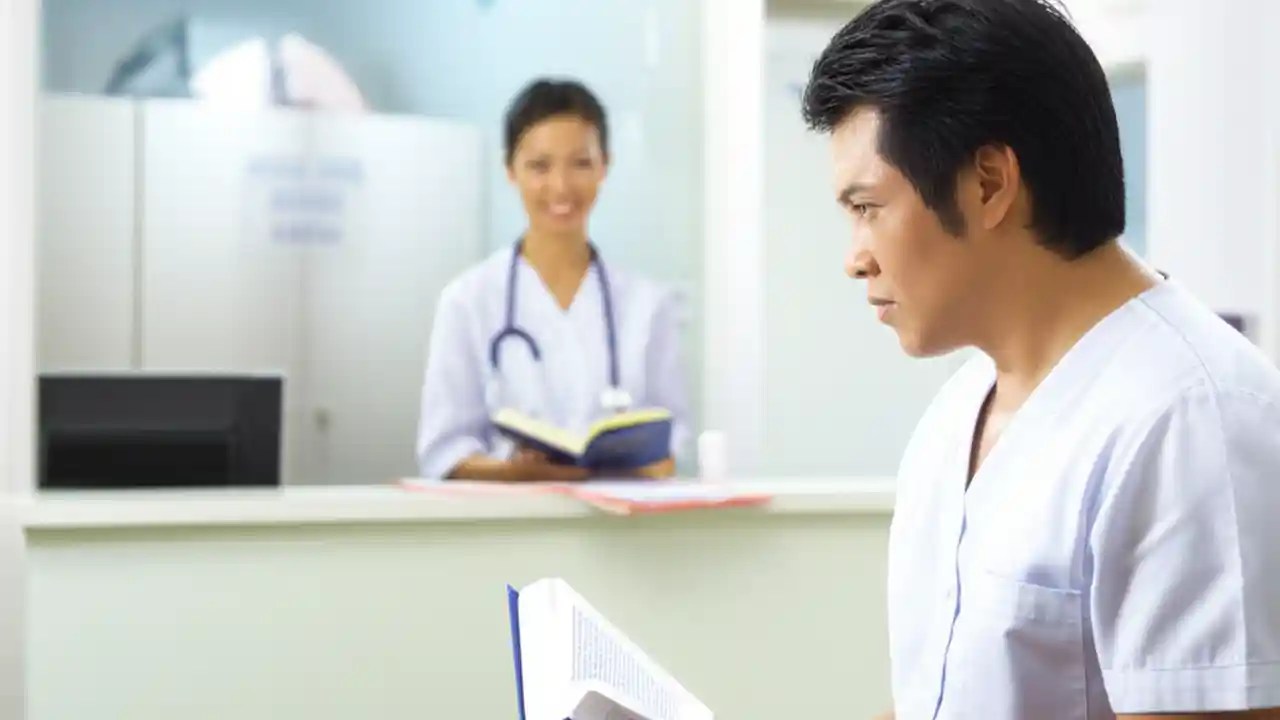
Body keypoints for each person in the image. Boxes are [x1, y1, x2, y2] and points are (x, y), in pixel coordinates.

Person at [801, 1, 1280, 718]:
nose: (855, 258)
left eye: (868, 207)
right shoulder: (955, 417)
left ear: (989, 183)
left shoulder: (1189, 422)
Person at [415, 78, 689, 482]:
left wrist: (646, 461)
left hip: (619, 537)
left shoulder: (648, 305)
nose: (560, 187)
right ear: (510, 170)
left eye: (580, 163)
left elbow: (674, 441)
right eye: (539, 166)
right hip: (510, 532)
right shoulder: (468, 301)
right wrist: (515, 471)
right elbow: (443, 452)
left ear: (604, 166)